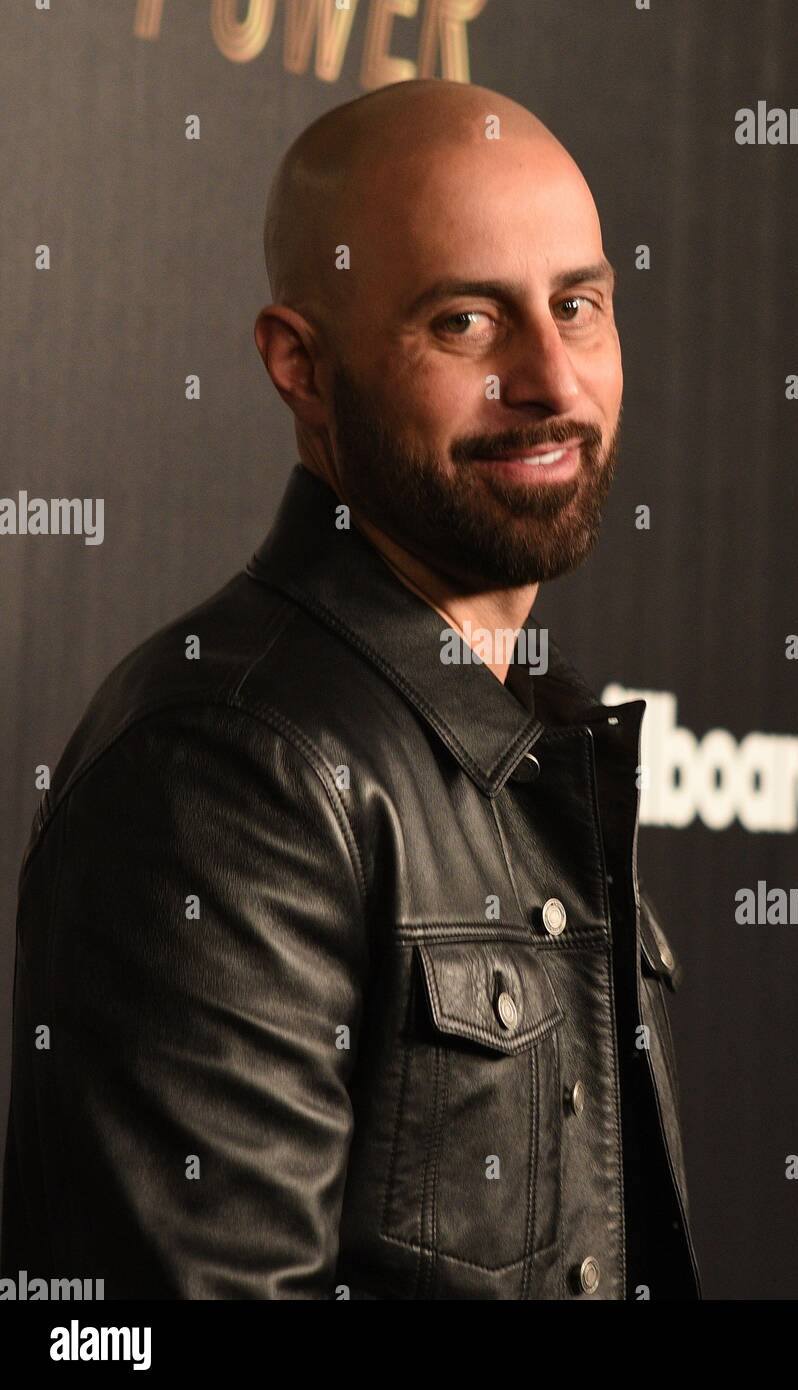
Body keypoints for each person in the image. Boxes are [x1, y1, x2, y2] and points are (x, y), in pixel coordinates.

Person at [1, 78, 701, 1300]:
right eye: (467, 324)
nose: (549, 378)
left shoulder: (535, 735)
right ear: (301, 368)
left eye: (578, 307)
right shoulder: (228, 767)